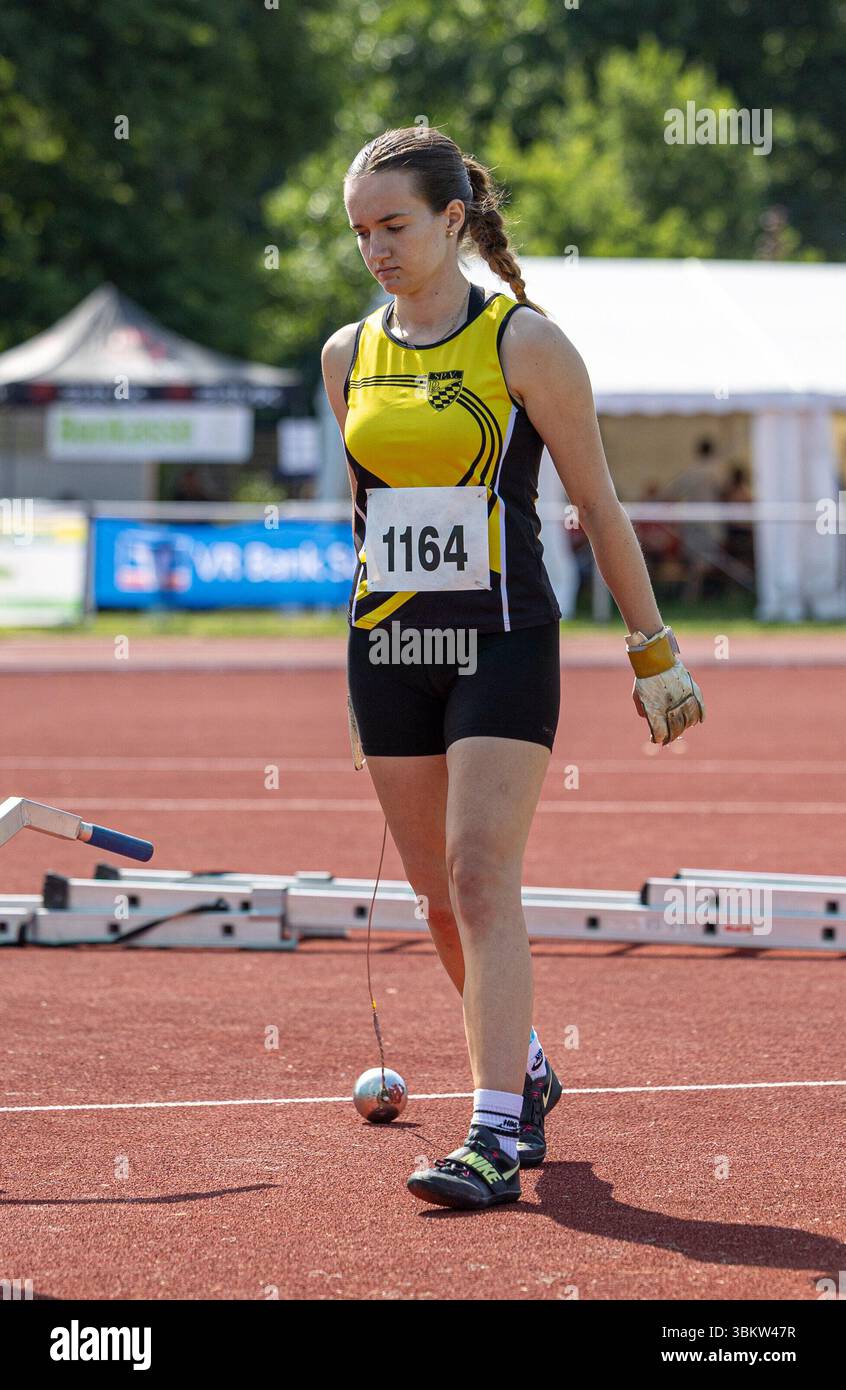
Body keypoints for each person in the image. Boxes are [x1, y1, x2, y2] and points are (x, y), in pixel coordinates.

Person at [321, 125, 705, 1212]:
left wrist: (654, 648)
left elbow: (596, 502)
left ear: (453, 221)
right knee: (440, 903)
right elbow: (367, 515)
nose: (376, 249)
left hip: (502, 638)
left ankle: (492, 1133)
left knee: (483, 876)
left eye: (394, 225)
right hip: (390, 646)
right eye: (361, 232)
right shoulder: (346, 355)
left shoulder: (524, 344)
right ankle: (530, 1067)